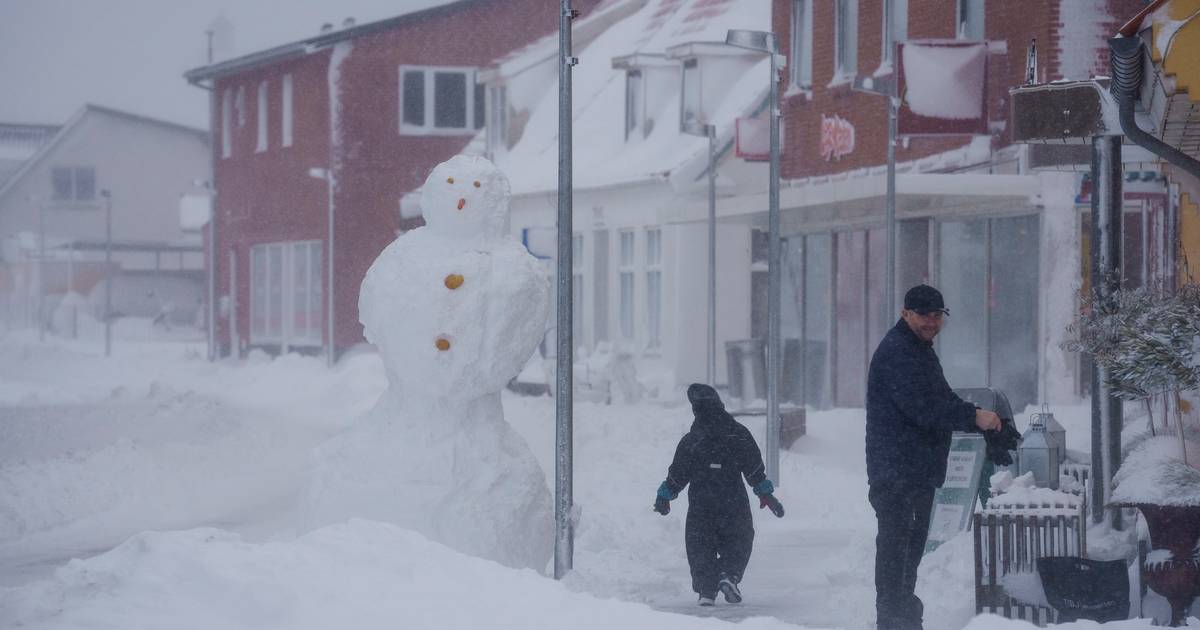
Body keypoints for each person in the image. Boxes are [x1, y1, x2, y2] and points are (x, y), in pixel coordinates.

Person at [865, 284, 1001, 630]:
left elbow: (937, 397)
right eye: (923, 314)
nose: (931, 321)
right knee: (898, 551)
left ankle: (903, 617)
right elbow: (924, 407)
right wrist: (973, 416)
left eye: (937, 314)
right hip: (897, 472)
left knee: (907, 551)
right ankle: (894, 620)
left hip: (913, 470)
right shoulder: (899, 352)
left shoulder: (917, 348)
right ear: (905, 313)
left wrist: (972, 415)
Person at [652, 383, 785, 607]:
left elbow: (677, 475)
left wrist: (664, 496)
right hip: (733, 502)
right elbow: (754, 470)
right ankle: (729, 575)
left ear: (696, 410)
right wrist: (767, 495)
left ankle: (706, 589)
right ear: (720, 405)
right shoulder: (738, 434)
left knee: (699, 545)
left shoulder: (691, 441)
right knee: (739, 539)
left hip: (701, 504)